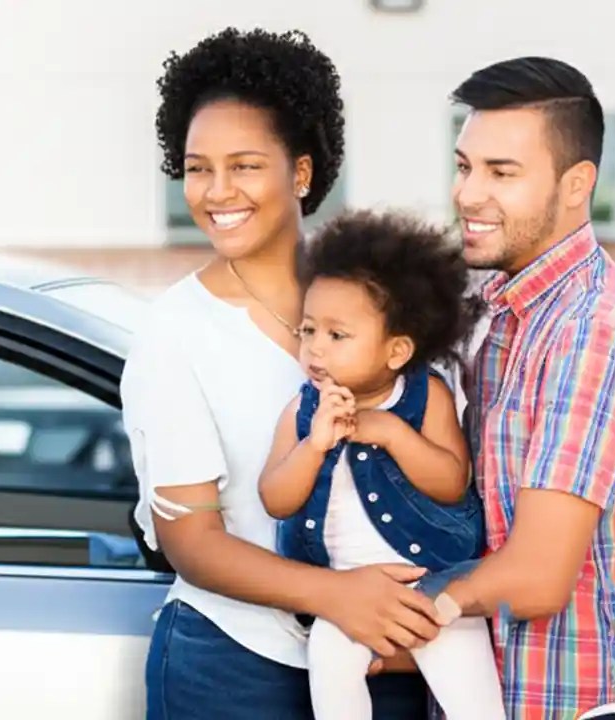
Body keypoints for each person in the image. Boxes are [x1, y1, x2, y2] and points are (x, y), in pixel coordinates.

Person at [121, 27, 440, 719]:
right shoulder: (174, 333)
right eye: (198, 168)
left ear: (300, 173)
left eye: (244, 165)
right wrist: (340, 597)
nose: (216, 192)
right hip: (231, 668)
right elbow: (191, 542)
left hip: (384, 661)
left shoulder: (383, 298)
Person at [432, 57, 615, 719]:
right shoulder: (491, 309)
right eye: (464, 166)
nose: (467, 194)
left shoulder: (592, 331)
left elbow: (537, 578)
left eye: (501, 173)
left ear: (577, 185)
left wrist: (380, 609)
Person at [259, 209, 505, 719]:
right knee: (330, 664)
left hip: (433, 580)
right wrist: (314, 447)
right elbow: (275, 499)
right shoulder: (303, 410)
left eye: (337, 335)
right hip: (346, 595)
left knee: (473, 696)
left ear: (396, 351)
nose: (315, 348)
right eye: (308, 330)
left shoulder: (426, 396)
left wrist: (393, 434)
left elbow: (452, 482)